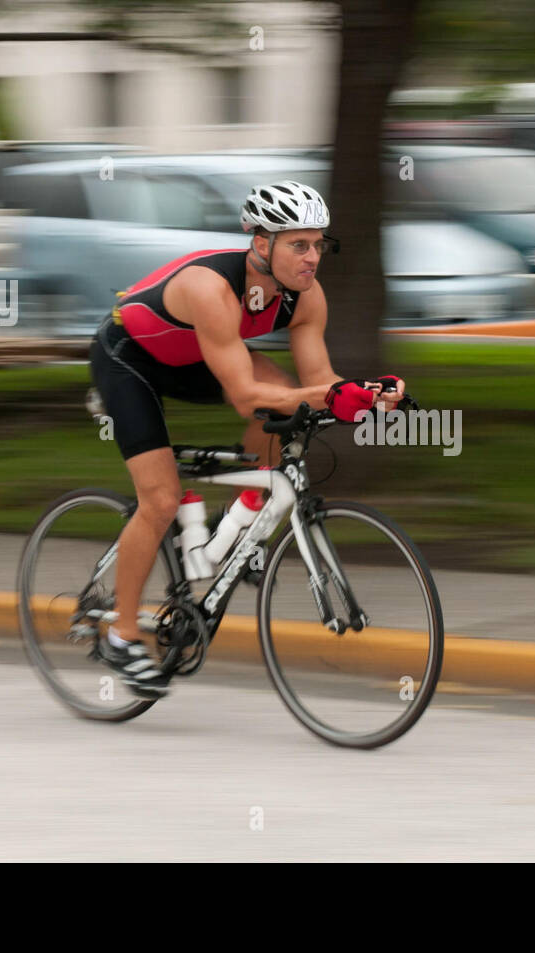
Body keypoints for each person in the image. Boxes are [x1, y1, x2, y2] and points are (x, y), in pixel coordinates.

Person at [87, 180, 405, 697]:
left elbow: (316, 380)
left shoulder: (306, 297)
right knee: (162, 497)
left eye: (318, 244)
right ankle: (122, 635)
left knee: (284, 393)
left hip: (198, 356)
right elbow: (241, 395)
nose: (312, 257)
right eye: (298, 245)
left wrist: (365, 394)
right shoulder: (210, 288)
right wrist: (336, 396)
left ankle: (236, 525)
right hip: (130, 359)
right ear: (262, 243)